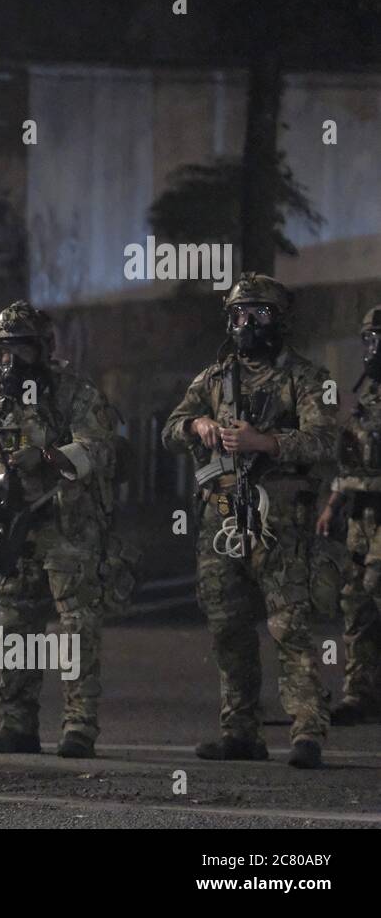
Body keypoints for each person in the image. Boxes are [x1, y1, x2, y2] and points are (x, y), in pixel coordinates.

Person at [161, 273, 333, 769]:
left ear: (279, 320)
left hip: (278, 520)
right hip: (221, 518)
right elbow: (172, 429)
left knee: (290, 626)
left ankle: (307, 732)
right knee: (226, 626)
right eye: (238, 314)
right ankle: (240, 730)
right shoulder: (215, 379)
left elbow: (325, 442)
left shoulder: (307, 377)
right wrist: (199, 424)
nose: (247, 324)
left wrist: (266, 442)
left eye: (258, 314)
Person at [0, 300, 116, 759]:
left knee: (76, 627)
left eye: (21, 350)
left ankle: (79, 726)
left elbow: (97, 447)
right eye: (2, 352)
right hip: (17, 526)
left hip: (68, 525)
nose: (10, 362)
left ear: (43, 349)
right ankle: (17, 723)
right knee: (18, 627)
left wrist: (50, 457)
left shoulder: (74, 392)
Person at [314, 304, 381, 725]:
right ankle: (360, 692)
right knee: (356, 603)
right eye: (371, 340)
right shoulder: (367, 398)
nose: (374, 349)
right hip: (362, 519)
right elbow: (352, 462)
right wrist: (333, 504)